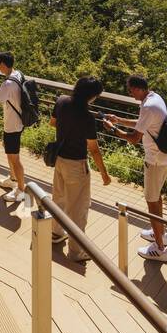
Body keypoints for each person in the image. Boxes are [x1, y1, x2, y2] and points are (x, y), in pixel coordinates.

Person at [103, 74, 167, 263]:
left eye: (130, 90)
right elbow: (142, 125)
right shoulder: (154, 98)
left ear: (139, 88)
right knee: (156, 196)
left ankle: (160, 249)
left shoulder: (149, 106)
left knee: (151, 202)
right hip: (165, 156)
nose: (129, 93)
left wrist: (113, 129)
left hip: (156, 160)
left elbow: (135, 138)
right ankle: (161, 234)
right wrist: (119, 119)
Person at [50, 76, 111, 262]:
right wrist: (105, 174)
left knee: (59, 198)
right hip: (77, 165)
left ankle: (55, 233)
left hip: (59, 160)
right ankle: (77, 251)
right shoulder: (87, 117)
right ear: (92, 96)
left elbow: (52, 122)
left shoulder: (61, 101)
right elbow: (93, 149)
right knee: (78, 208)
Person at [0, 51, 29, 203]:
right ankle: (13, 180)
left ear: (3, 64)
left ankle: (21, 190)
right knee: (10, 153)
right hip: (18, 121)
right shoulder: (18, 74)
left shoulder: (7, 84)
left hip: (13, 126)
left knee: (14, 158)